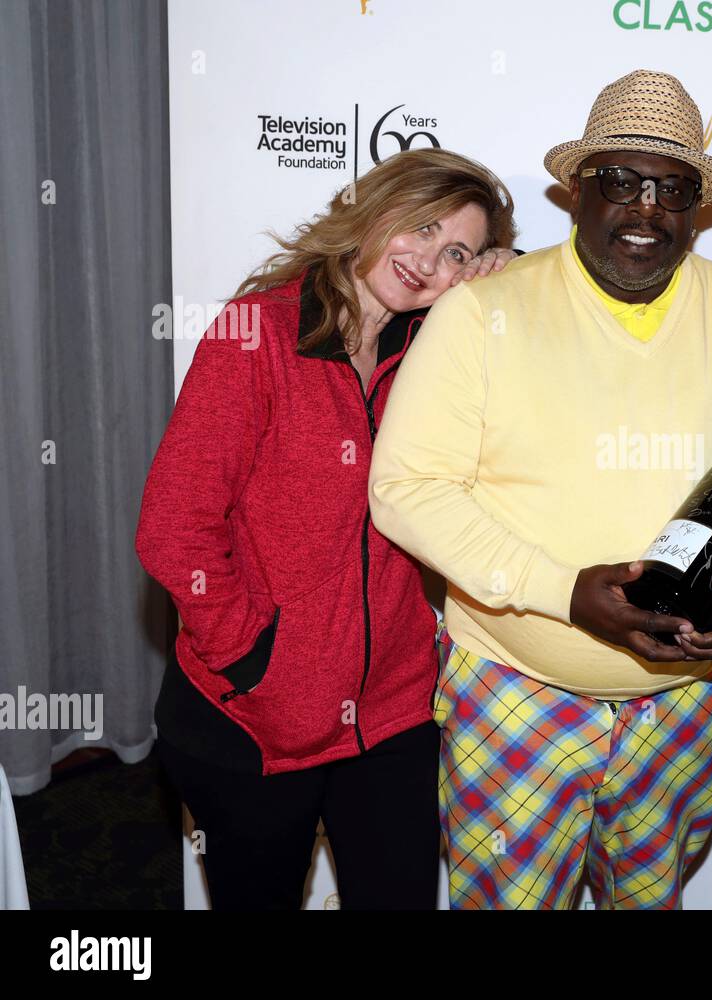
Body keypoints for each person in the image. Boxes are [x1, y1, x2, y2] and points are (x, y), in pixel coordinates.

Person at [368, 69, 712, 909]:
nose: (647, 209)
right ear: (577, 190)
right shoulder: (482, 314)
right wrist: (560, 594)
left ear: (698, 205)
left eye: (672, 188)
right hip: (516, 699)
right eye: (621, 181)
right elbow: (406, 488)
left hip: (684, 711)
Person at [135, 148, 518, 909]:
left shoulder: (432, 354)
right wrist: (254, 657)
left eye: (456, 253)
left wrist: (509, 276)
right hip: (253, 720)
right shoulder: (259, 335)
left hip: (393, 711)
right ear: (375, 210)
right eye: (420, 225)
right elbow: (173, 528)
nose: (425, 260)